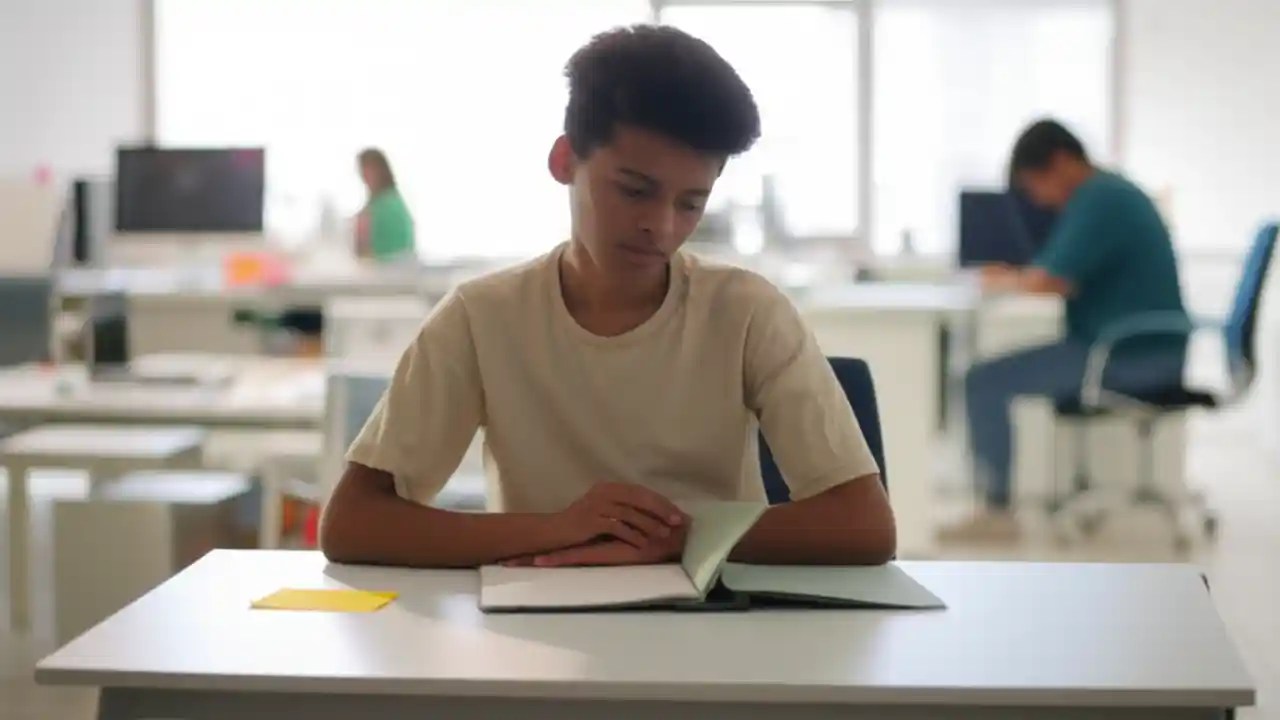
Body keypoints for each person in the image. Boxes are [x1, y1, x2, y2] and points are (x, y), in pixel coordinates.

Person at [320, 25, 896, 569]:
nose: (661, 227)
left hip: (712, 631)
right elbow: (353, 522)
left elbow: (865, 525)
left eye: (690, 203)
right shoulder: (481, 318)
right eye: (634, 190)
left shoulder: (746, 312)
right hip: (543, 630)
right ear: (564, 160)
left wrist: (677, 541)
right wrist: (559, 528)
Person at [943, 119, 1188, 540]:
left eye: (1035, 185)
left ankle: (997, 512)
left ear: (1060, 163)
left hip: (1126, 358)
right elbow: (1058, 274)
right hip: (1133, 349)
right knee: (991, 376)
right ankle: (996, 503)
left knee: (984, 381)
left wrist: (1000, 279)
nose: (1038, 200)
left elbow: (1050, 280)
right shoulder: (1110, 193)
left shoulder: (1099, 199)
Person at [354, 148, 415, 261]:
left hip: (390, 270)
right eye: (363, 172)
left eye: (369, 170)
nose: (365, 177)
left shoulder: (390, 204)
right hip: (385, 268)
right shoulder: (376, 203)